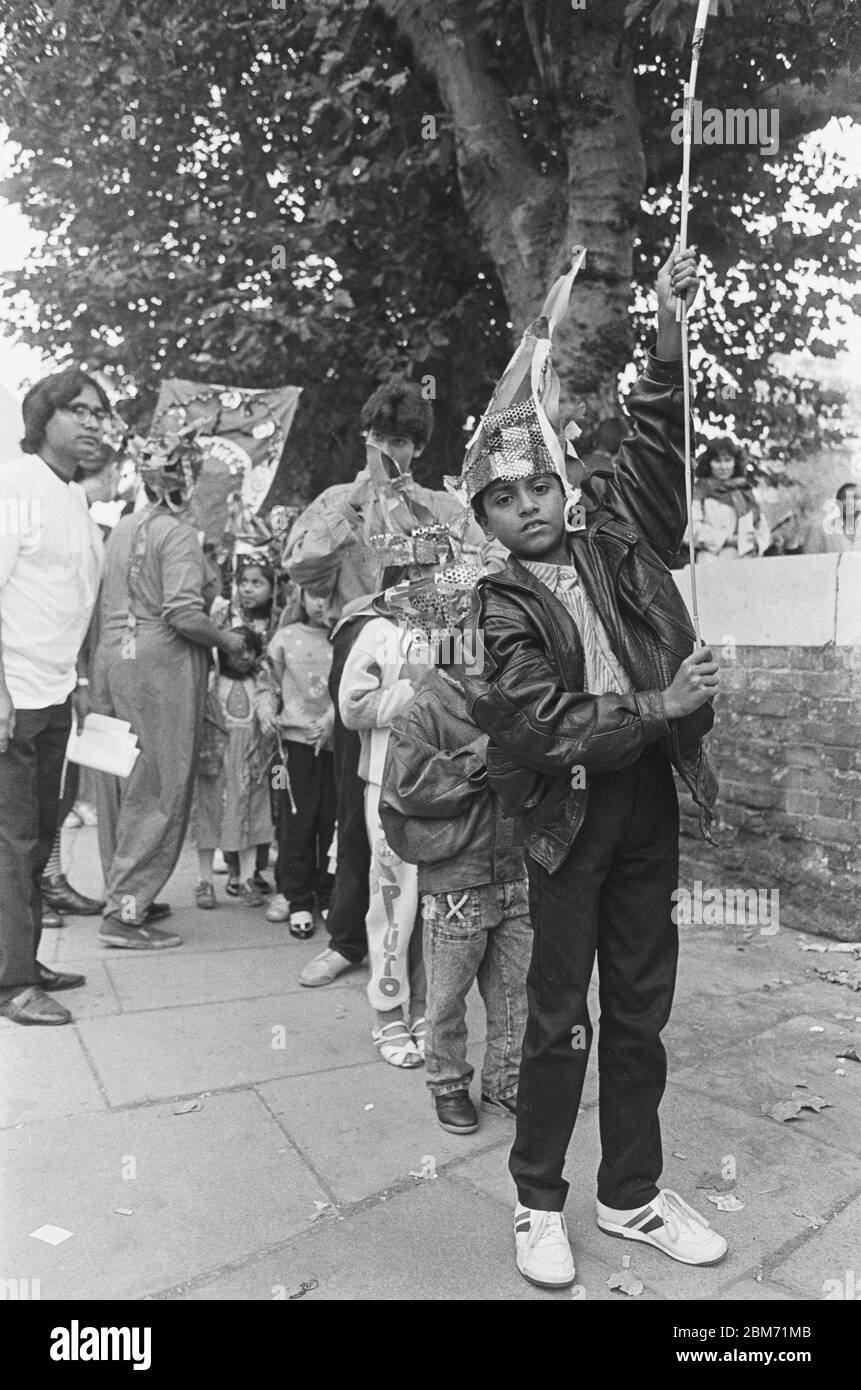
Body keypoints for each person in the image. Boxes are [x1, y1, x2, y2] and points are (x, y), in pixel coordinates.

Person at [453, 243, 728, 1288]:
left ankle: (631, 1194)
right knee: (558, 1016)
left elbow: (658, 448)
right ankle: (537, 1203)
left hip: (649, 801)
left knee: (643, 1010)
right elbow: (538, 727)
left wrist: (666, 330)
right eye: (503, 496)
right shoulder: (497, 605)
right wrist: (660, 703)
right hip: (567, 821)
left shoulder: (620, 536)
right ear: (482, 520)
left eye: (539, 483)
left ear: (564, 483)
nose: (528, 502)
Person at [287, 379, 503, 990]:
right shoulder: (338, 499)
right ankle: (347, 939)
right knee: (359, 806)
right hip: (358, 654)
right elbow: (299, 565)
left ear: (418, 447)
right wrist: (355, 505)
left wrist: (431, 559)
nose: (389, 449)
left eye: (402, 440)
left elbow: (488, 564)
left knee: (434, 793)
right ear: (365, 437)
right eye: (380, 437)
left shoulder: (442, 506)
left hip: (432, 659)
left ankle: (432, 939)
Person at [380, 566, 532, 1132]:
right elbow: (408, 791)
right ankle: (447, 1082)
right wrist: (484, 756)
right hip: (457, 883)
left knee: (516, 992)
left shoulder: (510, 697)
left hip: (513, 871)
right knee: (447, 998)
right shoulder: (423, 710)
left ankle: (507, 1080)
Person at [93, 427, 248, 949]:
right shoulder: (178, 533)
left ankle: (129, 892)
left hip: (116, 658)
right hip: (159, 666)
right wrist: (228, 640)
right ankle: (124, 911)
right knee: (158, 783)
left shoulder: (123, 526)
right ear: (180, 480)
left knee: (124, 782)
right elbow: (182, 613)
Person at [0, 368, 108, 1025]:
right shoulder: (16, 486)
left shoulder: (75, 500)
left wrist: (83, 686)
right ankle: (13, 986)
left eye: (100, 412)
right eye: (80, 410)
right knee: (12, 842)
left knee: (38, 839)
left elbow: (71, 607)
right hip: (15, 695)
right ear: (43, 418)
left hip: (56, 694)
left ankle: (23, 960)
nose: (95, 421)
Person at [256, 588, 336, 936]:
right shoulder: (285, 638)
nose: (321, 602)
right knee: (294, 822)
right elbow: (267, 684)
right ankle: (295, 896)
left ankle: (330, 893)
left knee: (331, 823)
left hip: (336, 747)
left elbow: (357, 685)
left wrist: (333, 719)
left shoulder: (348, 636)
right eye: (314, 594)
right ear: (300, 596)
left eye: (328, 593)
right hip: (289, 751)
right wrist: (264, 709)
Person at [212, 554, 282, 896]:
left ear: (272, 587)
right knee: (231, 804)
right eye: (244, 582)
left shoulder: (279, 622)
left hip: (264, 734)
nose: (249, 589)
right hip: (231, 738)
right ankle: (234, 870)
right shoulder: (226, 617)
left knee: (265, 803)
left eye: (258, 582)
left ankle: (257, 867)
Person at [192, 626, 275, 910]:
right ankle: (204, 881)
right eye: (236, 650)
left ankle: (248, 878)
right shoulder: (212, 681)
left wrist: (267, 718)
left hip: (249, 761)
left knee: (251, 818)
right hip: (215, 759)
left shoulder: (260, 683)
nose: (243, 656)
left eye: (249, 649)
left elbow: (266, 705)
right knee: (208, 817)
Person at [690, 437, 770, 561]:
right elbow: (691, 530)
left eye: (727, 460)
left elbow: (762, 528)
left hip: (744, 558)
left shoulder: (745, 491)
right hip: (710, 559)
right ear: (709, 463)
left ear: (735, 462)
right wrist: (725, 540)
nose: (723, 466)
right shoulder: (699, 491)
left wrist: (756, 541)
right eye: (717, 460)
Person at [820, 482, 861, 552]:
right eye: (844, 498)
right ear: (837, 502)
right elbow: (807, 561)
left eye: (855, 497)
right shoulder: (821, 530)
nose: (850, 502)